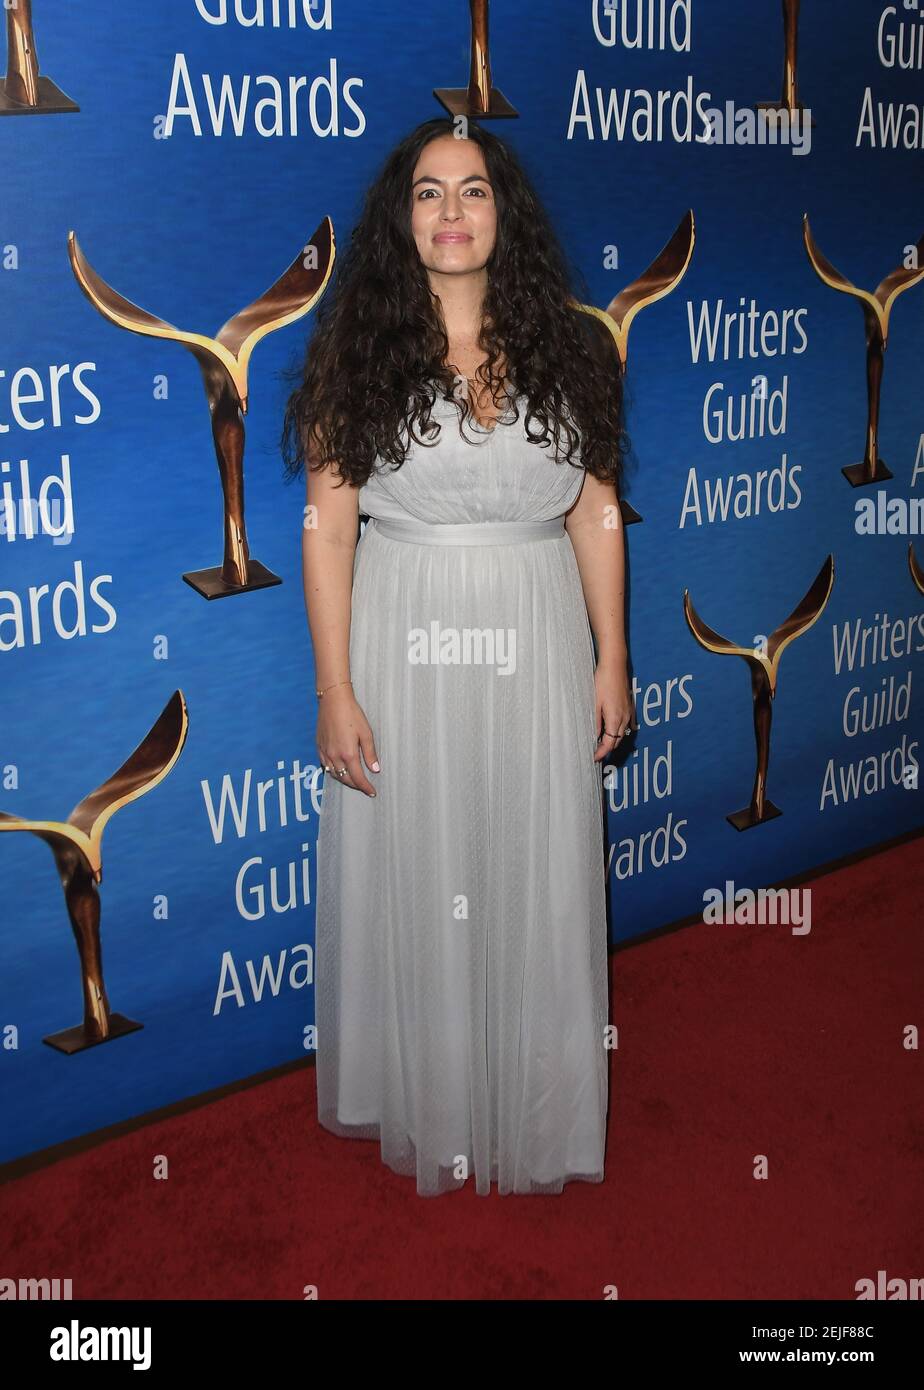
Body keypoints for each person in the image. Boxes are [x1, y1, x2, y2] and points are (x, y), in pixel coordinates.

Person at [281, 117, 634, 1197]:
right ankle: (429, 1086)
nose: (449, 211)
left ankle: (533, 1089)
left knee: (532, 858)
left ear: (502, 214)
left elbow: (595, 513)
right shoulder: (359, 353)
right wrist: (336, 689)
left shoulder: (571, 346)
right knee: (424, 864)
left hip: (536, 633)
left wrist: (612, 657)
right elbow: (330, 528)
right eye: (428, 192)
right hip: (407, 639)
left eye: (471, 190)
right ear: (404, 218)